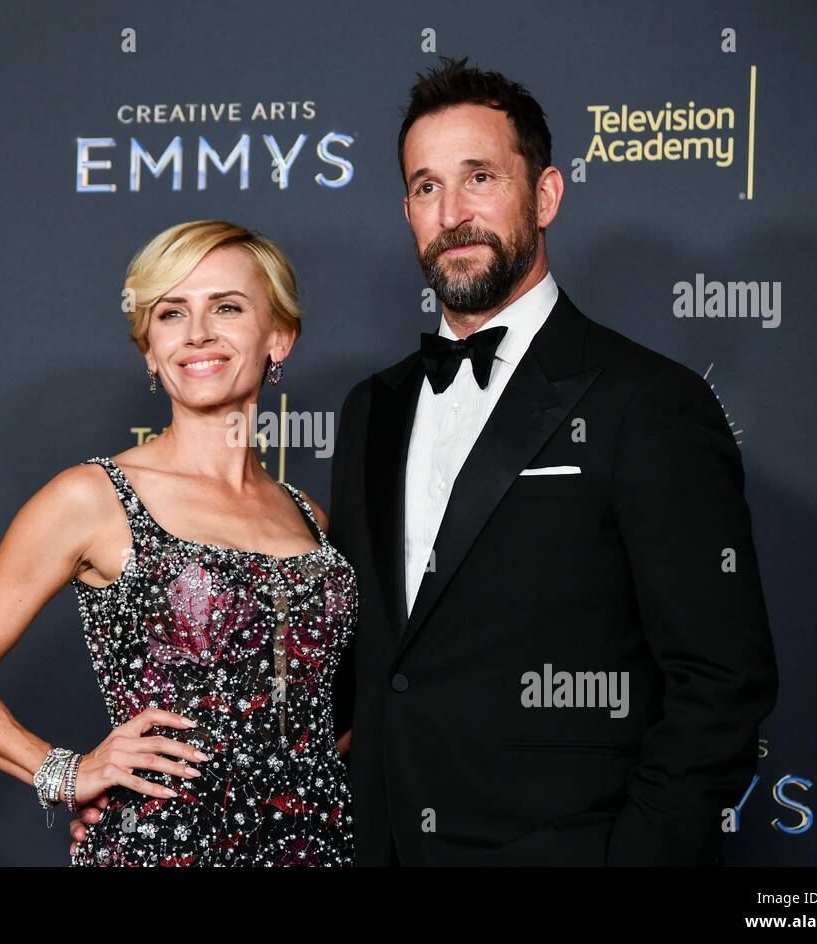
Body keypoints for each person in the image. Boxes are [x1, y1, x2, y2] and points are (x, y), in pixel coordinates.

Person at [326, 56, 779, 865]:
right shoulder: (372, 409)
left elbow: (721, 681)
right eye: (427, 187)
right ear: (406, 210)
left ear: (545, 195)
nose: (453, 212)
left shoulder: (649, 402)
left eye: (479, 178)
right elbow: (369, 664)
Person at [0, 220, 356, 866]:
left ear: (278, 338)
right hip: (163, 850)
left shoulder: (310, 517)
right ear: (150, 348)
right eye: (171, 313)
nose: (198, 333)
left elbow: (336, 707)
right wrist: (66, 772)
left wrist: (303, 769)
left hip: (321, 847)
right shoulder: (92, 498)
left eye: (227, 308)